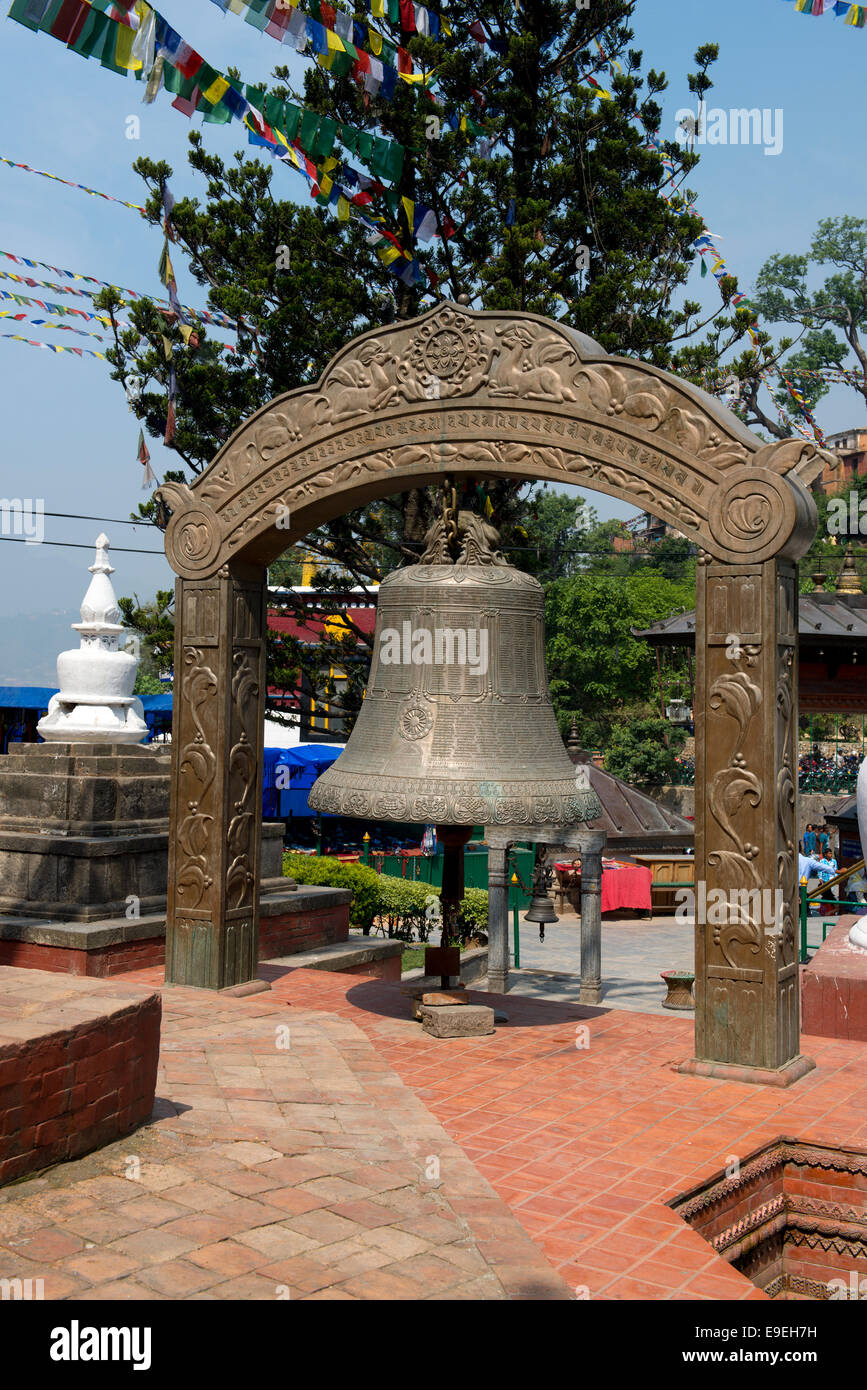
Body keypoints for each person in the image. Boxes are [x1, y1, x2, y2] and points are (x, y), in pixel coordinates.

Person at [817, 847, 838, 914]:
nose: (830, 855)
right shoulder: (822, 861)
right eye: (829, 853)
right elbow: (820, 870)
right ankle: (826, 907)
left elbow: (836, 870)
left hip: (832, 879)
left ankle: (831, 907)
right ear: (825, 854)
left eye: (831, 853)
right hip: (825, 880)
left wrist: (836, 878)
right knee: (826, 892)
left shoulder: (834, 861)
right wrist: (820, 878)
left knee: (830, 893)